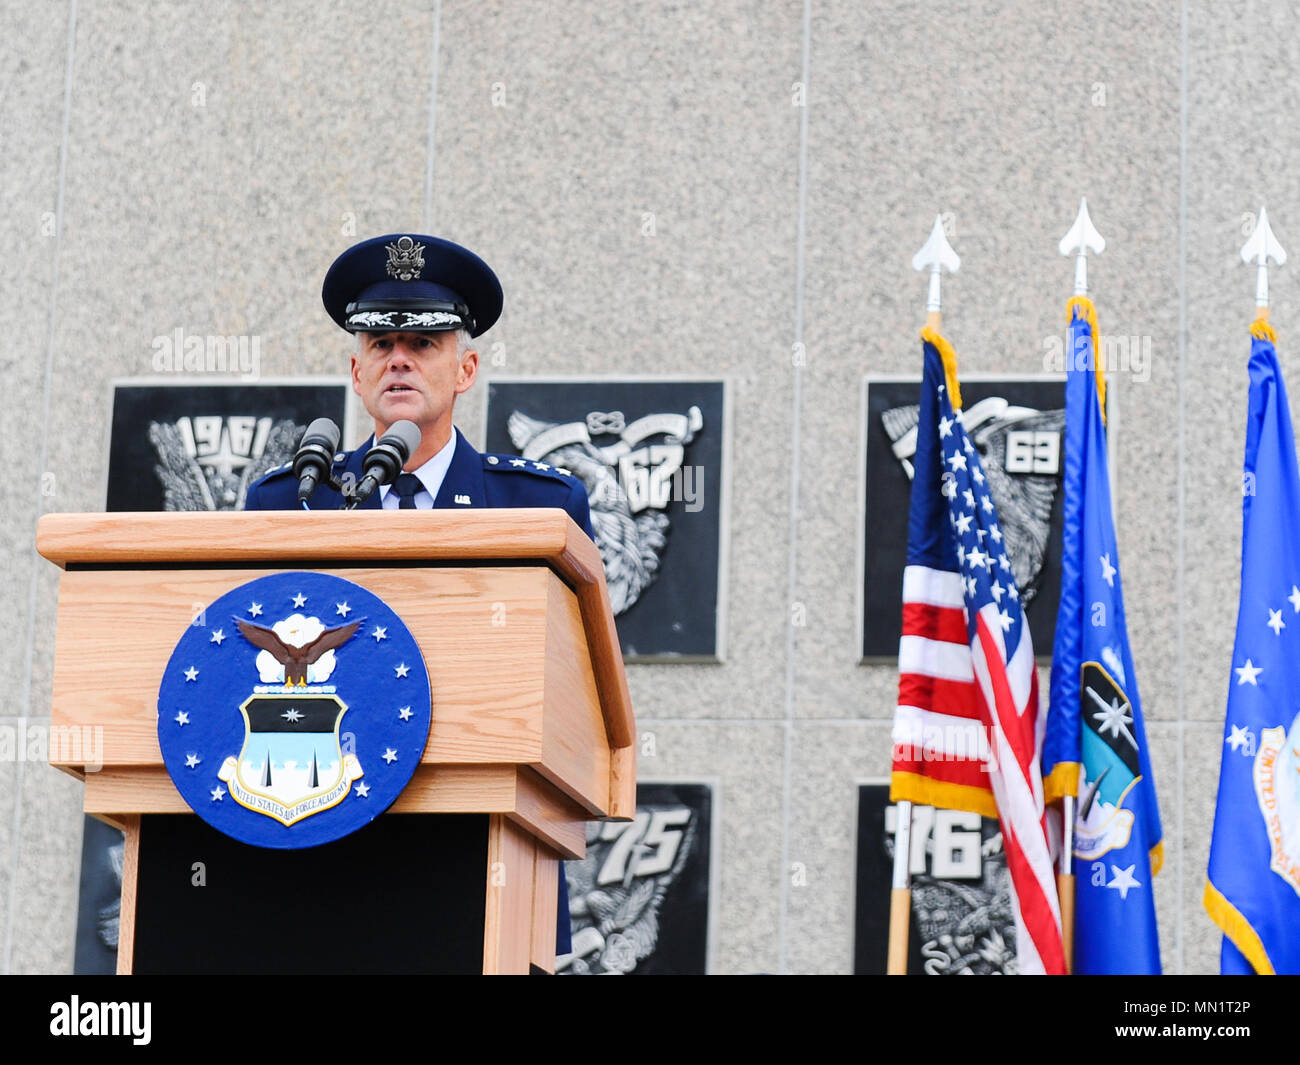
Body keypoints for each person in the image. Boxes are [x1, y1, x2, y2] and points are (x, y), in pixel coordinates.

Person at [244, 232, 588, 958]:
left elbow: (573, 692)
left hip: (477, 846)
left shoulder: (536, 509)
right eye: (380, 342)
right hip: (314, 836)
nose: (398, 357)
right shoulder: (289, 501)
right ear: (356, 370)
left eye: (423, 342)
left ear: (465, 368)